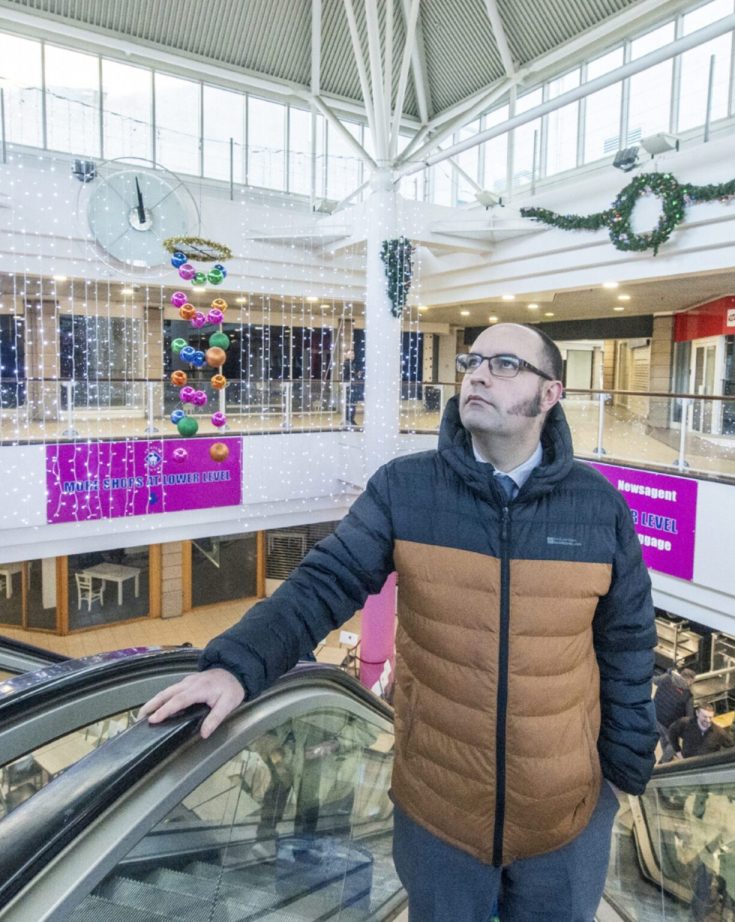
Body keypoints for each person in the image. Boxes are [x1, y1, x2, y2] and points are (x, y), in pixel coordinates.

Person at [143, 322, 659, 922]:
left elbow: (626, 642)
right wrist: (236, 667)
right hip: (440, 818)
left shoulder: (597, 506)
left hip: (567, 821)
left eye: (506, 365)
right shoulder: (406, 489)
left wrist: (623, 774)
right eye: (473, 360)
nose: (478, 373)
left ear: (550, 395)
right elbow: (322, 583)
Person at [654, 667, 696, 762]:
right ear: (688, 680)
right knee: (673, 744)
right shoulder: (688, 696)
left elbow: (654, 680)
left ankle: (667, 758)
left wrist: (667, 673)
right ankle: (663, 763)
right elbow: (689, 717)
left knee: (663, 738)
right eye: (692, 682)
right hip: (669, 724)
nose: (692, 684)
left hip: (655, 715)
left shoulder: (667, 678)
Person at [341, 348, 361, 428]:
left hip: (352, 386)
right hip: (349, 387)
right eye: (350, 354)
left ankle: (350, 419)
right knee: (350, 404)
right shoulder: (346, 364)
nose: (352, 355)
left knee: (352, 404)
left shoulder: (351, 364)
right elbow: (346, 376)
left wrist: (356, 375)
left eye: (353, 354)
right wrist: (356, 375)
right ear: (346, 355)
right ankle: (349, 419)